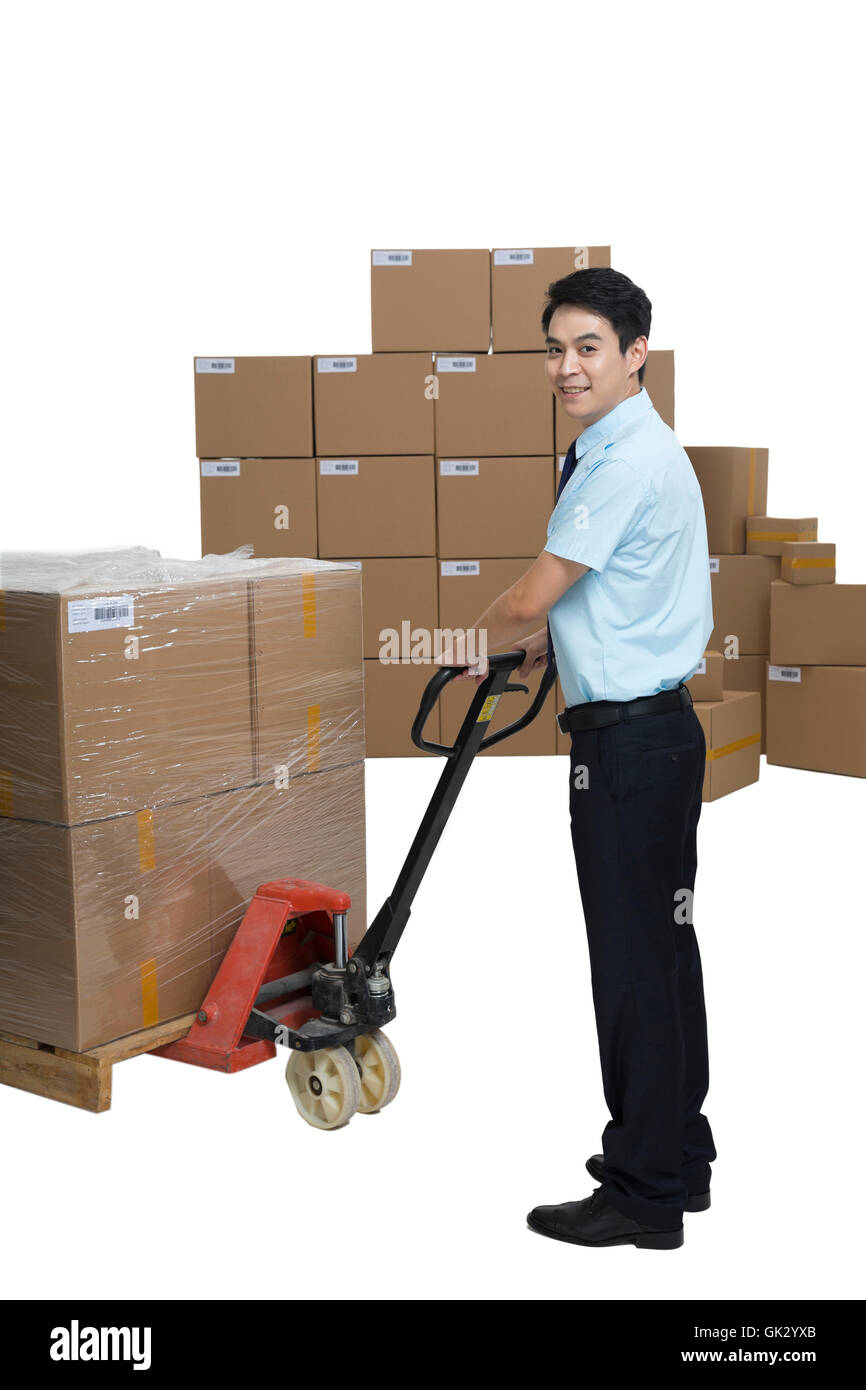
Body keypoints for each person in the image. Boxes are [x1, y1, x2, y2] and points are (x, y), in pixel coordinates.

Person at [434, 266, 715, 1251]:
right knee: (664, 952)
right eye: (555, 347)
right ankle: (680, 1154)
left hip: (627, 751)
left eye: (586, 346)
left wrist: (470, 645)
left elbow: (529, 592)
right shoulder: (640, 446)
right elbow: (612, 590)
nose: (565, 365)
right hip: (659, 735)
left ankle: (641, 1191)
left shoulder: (617, 461)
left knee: (631, 967)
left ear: (635, 352)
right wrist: (557, 641)